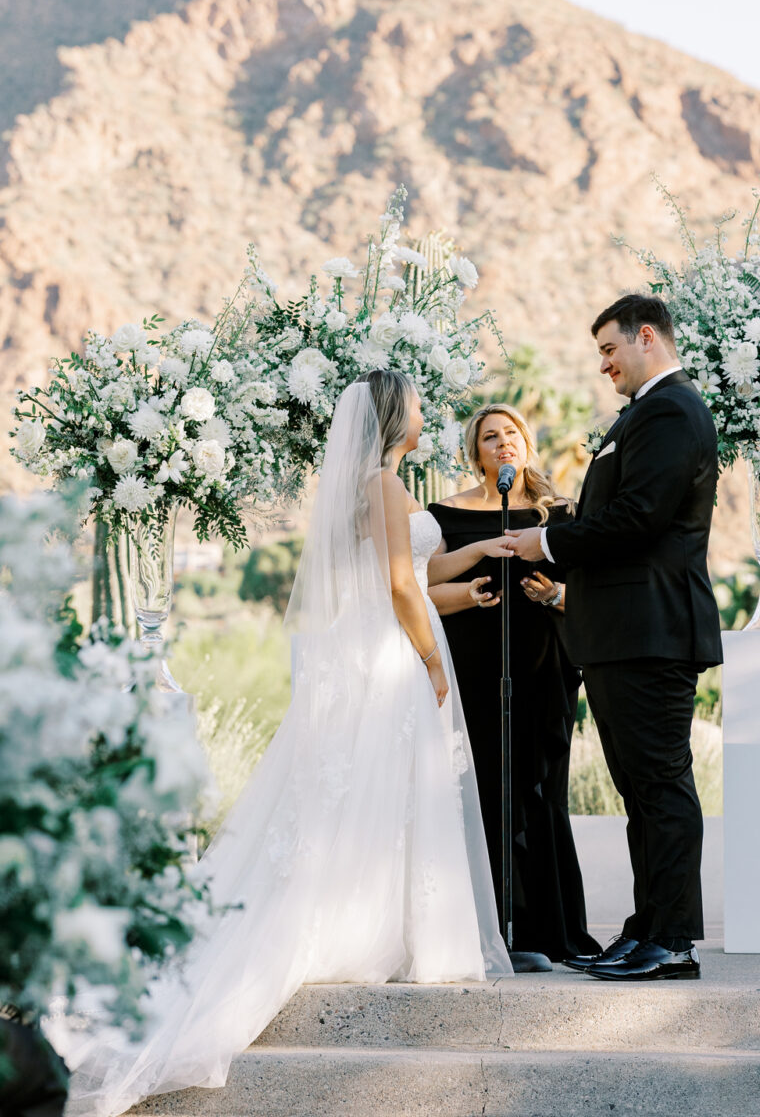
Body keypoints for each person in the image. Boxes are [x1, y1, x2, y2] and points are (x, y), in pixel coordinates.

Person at [60, 372, 509, 1117]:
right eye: (419, 406)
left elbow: (411, 573)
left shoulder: (371, 485)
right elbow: (403, 587)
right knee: (395, 788)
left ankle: (378, 923)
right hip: (395, 650)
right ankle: (388, 934)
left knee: (367, 789)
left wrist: (474, 560)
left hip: (367, 643)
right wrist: (433, 658)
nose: (427, 416)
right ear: (397, 416)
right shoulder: (388, 485)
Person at [505, 295, 720, 981]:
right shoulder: (643, 415)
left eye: (608, 350)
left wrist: (543, 541)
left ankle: (674, 939)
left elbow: (639, 518)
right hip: (623, 634)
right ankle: (647, 926)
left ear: (645, 337)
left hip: (651, 631)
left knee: (659, 786)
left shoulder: (672, 411)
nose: (603, 365)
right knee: (640, 792)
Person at [428, 404, 599, 963]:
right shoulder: (445, 515)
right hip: (470, 668)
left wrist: (553, 595)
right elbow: (421, 580)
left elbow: (593, 600)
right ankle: (487, 929)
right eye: (489, 437)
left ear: (526, 444)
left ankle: (549, 931)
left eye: (511, 434)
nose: (503, 443)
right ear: (474, 453)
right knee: (476, 789)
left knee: (538, 788)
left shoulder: (563, 514)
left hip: (543, 666)